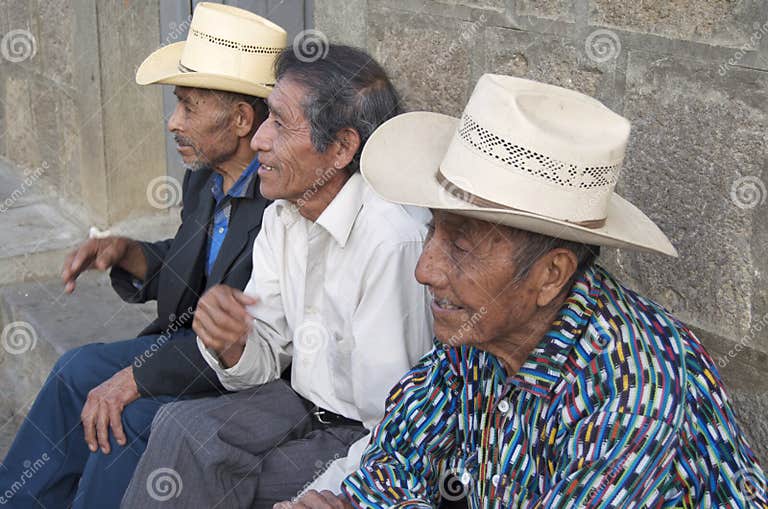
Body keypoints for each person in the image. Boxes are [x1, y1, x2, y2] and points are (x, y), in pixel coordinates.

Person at [289, 74, 767, 508]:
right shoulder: (480, 332)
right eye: (434, 230)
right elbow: (390, 463)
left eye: (460, 246)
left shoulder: (635, 387)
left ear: (551, 275)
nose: (424, 269)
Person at [120, 44, 434, 509]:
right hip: (299, 404)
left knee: (248, 488)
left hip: (363, 434)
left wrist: (335, 492)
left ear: (342, 147)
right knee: (179, 427)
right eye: (267, 118)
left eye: (281, 124)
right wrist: (232, 343)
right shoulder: (284, 215)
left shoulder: (393, 240)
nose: (260, 139)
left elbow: (395, 425)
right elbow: (264, 354)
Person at [0, 5, 286, 508]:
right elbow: (192, 266)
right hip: (184, 350)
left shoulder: (278, 202)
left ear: (242, 119)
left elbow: (251, 341)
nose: (173, 122)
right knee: (74, 371)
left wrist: (136, 379)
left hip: (239, 373)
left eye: (189, 106)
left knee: (123, 419)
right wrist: (128, 254)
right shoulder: (204, 177)